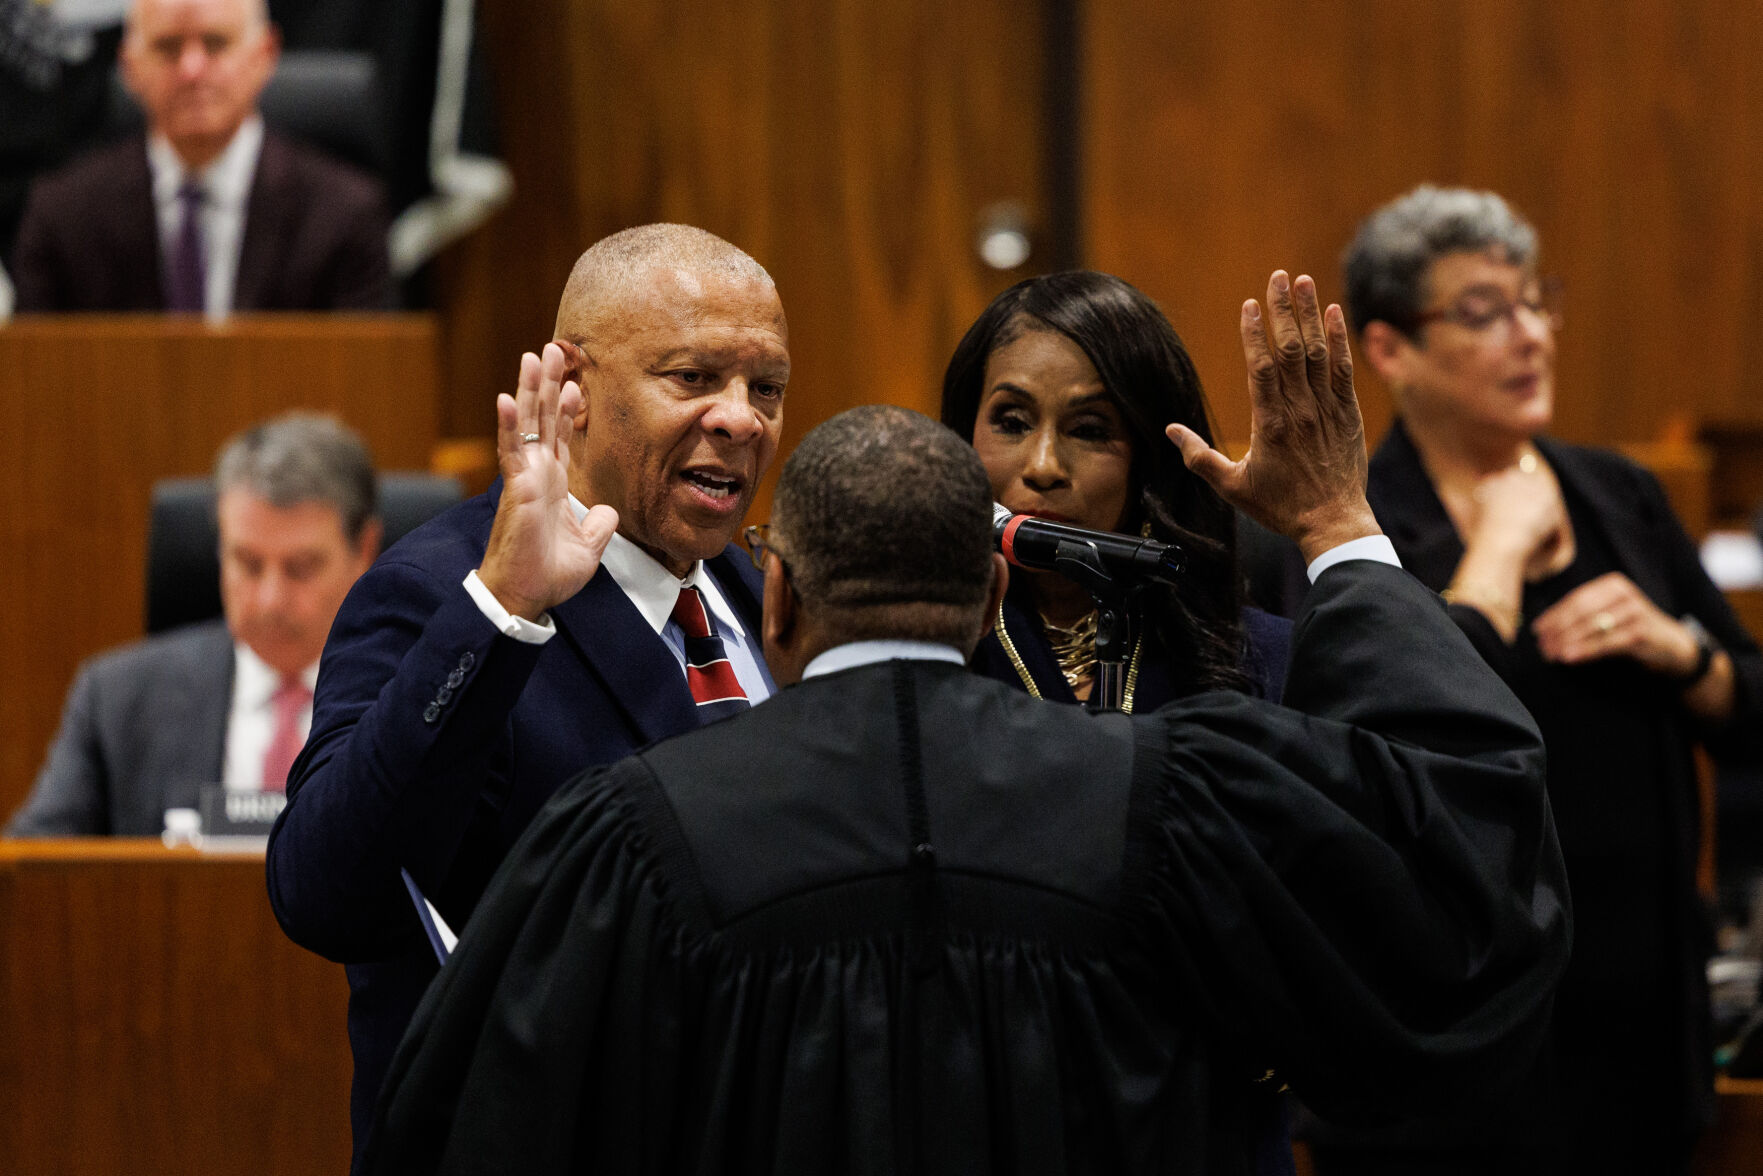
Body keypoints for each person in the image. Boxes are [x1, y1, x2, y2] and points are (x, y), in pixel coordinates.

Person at [359, 273, 1570, 1175]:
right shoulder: (1180, 800)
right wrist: (1336, 530)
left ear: (774, 599)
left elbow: (457, 1126)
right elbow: (1467, 857)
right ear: (990, 586)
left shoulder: (633, 833)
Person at [266, 223, 789, 1167]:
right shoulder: (437, 593)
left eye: (766, 388)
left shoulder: (771, 599)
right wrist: (502, 611)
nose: (741, 419)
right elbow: (325, 894)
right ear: (573, 389)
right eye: (692, 378)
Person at [1301, 185, 1763, 1175]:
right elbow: (1392, 765)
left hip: (1637, 1033)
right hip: (1453, 1050)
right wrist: (1499, 556)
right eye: (1480, 313)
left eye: (1531, 302)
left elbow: (1751, 715)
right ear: (1388, 351)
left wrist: (1682, 655)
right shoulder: (1353, 530)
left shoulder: (1618, 498)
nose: (1528, 336)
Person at [6, 412, 380, 836]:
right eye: (248, 564)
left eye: (300, 568)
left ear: (363, 549)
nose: (270, 600)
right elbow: (28, 878)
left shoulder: (418, 694)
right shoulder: (118, 701)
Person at [942, 270, 1290, 709]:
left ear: (1151, 461)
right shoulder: (920, 656)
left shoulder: (1267, 667)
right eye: (1012, 423)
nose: (1043, 466)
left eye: (1088, 430)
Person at [9, 0, 389, 313]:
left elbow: (361, 384)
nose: (192, 70)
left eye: (215, 43)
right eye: (168, 47)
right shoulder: (63, 217)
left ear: (266, 54)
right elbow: (37, 380)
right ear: (129, 66)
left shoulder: (344, 214)